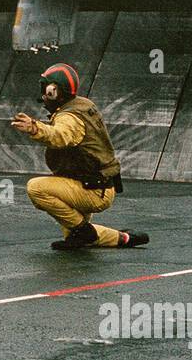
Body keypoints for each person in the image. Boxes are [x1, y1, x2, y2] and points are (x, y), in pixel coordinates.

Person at [11, 62, 149, 250]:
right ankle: (123, 238)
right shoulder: (83, 104)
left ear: (54, 91)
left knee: (36, 188)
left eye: (46, 89)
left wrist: (35, 128)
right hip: (94, 183)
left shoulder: (70, 117)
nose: (43, 95)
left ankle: (83, 230)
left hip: (91, 190)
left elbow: (60, 136)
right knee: (74, 235)